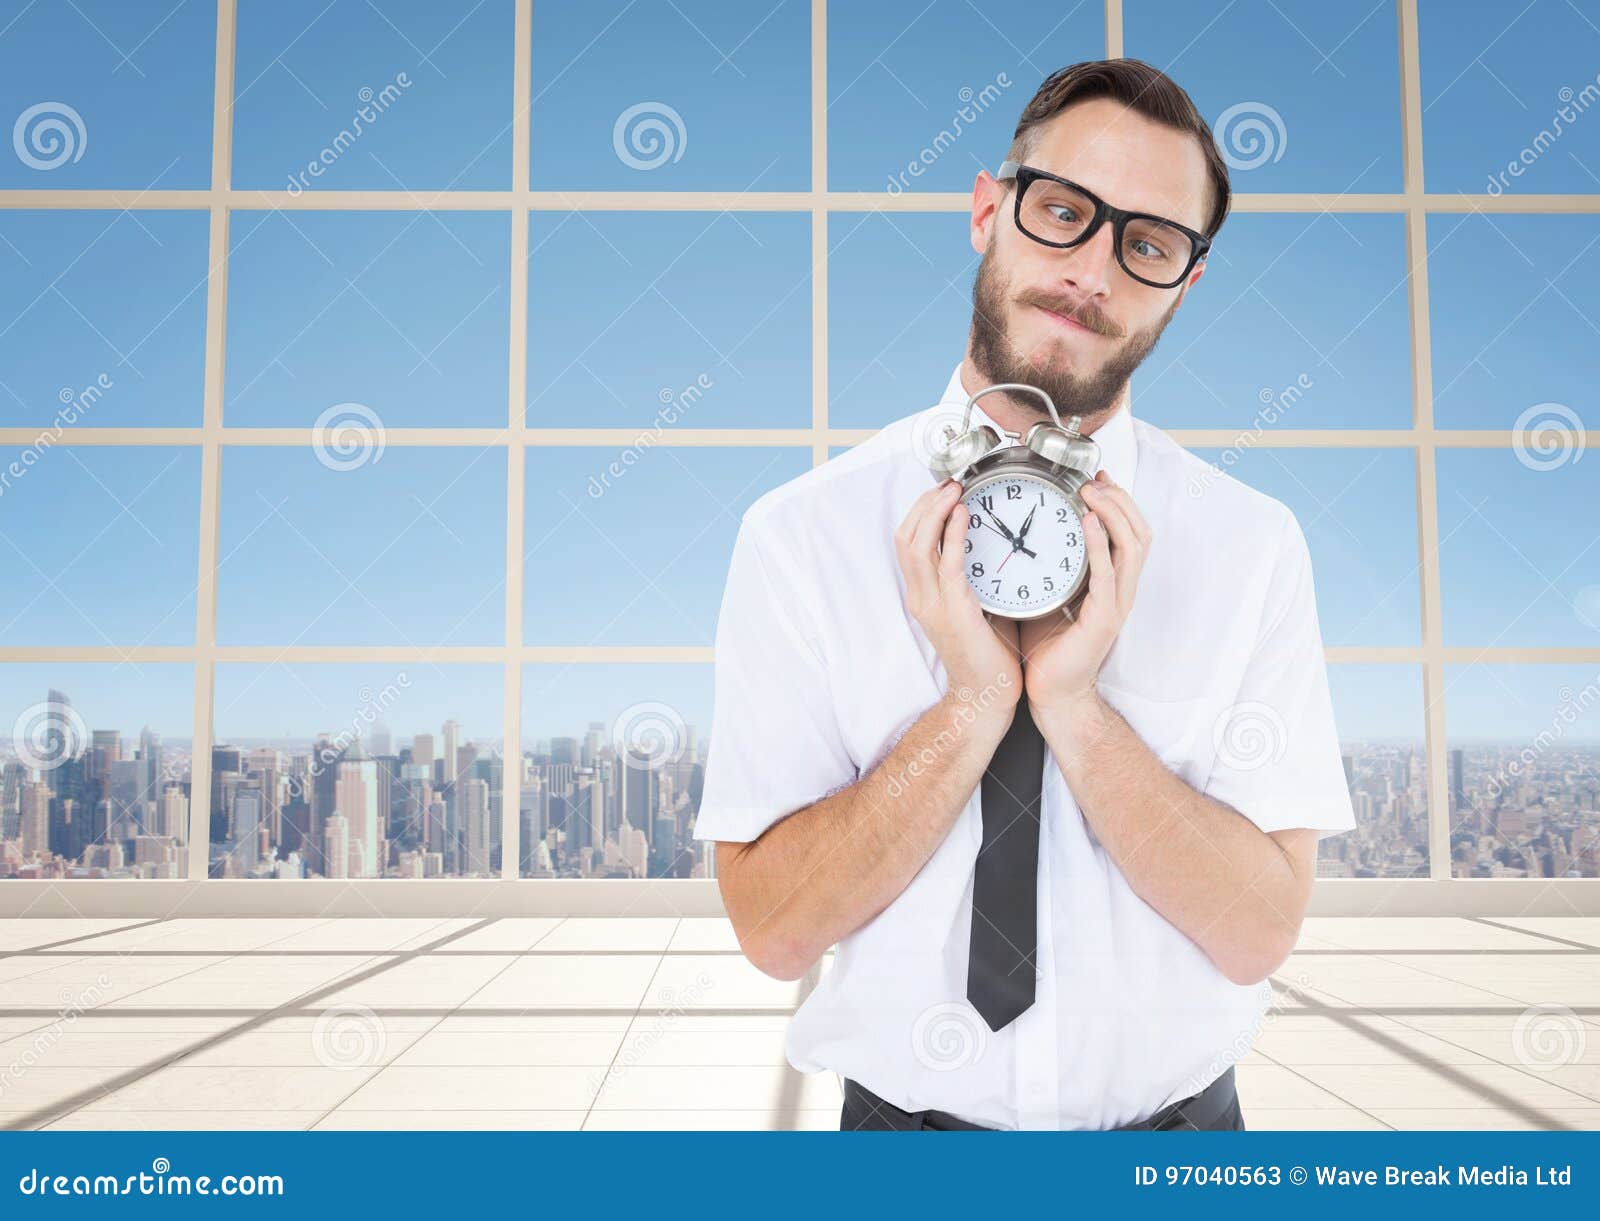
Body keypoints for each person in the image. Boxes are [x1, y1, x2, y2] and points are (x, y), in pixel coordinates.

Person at [691, 58, 1355, 1132]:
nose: (1092, 269)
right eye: (1061, 211)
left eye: (1146, 243)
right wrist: (969, 704)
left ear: (1184, 285)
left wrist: (1077, 709)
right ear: (986, 211)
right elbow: (773, 932)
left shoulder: (1249, 547)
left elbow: (1256, 933)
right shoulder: (801, 536)